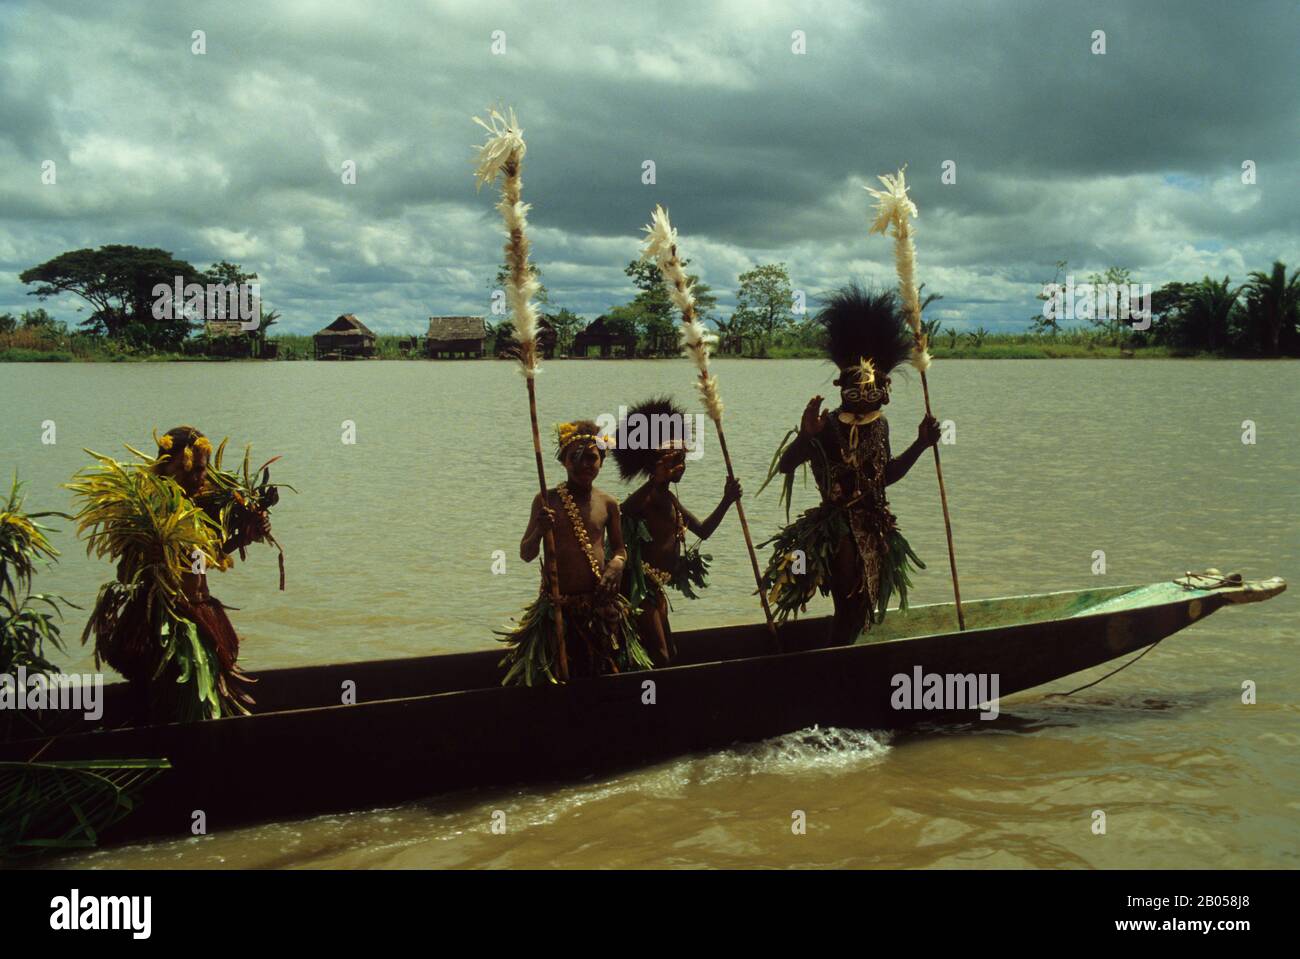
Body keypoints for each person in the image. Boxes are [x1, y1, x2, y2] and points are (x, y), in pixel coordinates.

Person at [760, 284, 939, 647]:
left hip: (874, 527)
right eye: (855, 392)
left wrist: (921, 444)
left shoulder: (880, 425)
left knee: (860, 610)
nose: (863, 400)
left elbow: (885, 475)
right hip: (838, 531)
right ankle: (835, 667)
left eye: (870, 393)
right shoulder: (826, 426)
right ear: (843, 388)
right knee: (849, 606)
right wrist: (806, 436)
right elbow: (786, 466)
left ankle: (841, 663)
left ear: (883, 391)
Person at [70, 425, 274, 722]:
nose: (197, 477)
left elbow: (202, 559)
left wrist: (246, 535)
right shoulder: (147, 511)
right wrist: (151, 560)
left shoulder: (200, 506)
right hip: (170, 622)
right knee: (178, 691)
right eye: (187, 469)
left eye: (201, 469)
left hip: (202, 611)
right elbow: (126, 574)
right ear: (164, 467)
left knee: (208, 688)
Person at [499, 420, 653, 684]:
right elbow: (526, 553)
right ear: (564, 461)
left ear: (602, 461)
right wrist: (539, 530)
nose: (585, 465)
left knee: (603, 674)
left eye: (592, 458)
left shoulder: (609, 504)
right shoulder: (547, 500)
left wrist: (617, 564)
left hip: (597, 608)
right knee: (560, 677)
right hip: (558, 609)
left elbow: (619, 549)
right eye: (576, 458)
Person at [613, 397, 741, 665]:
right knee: (660, 655)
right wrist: (656, 480)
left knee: (669, 653)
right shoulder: (649, 496)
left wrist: (727, 500)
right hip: (640, 591)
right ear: (657, 465)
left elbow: (703, 531)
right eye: (676, 459)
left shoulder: (670, 499)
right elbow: (624, 510)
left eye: (683, 458)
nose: (682, 465)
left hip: (655, 589)